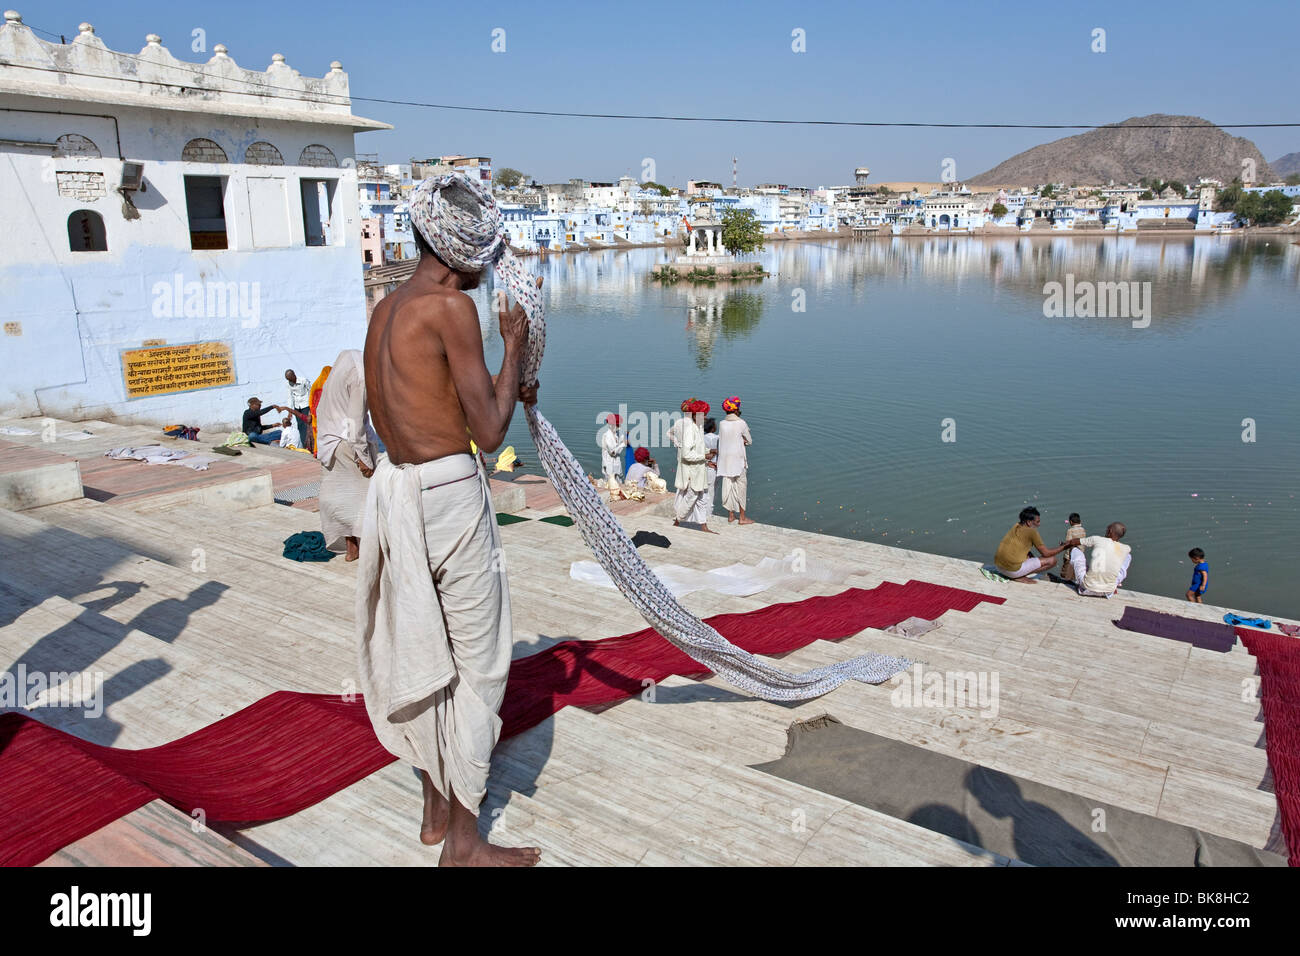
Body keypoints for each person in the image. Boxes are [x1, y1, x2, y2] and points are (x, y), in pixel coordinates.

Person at [360, 172, 541, 867]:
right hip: (446, 495)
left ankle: (436, 809)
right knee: (480, 663)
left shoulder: (386, 309)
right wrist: (514, 342)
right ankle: (465, 843)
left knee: (425, 648)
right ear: (461, 253)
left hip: (397, 487)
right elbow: (489, 431)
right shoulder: (449, 310)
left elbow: (421, 404)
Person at [316, 349, 377, 561]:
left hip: (329, 439)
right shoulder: (361, 376)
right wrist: (362, 457)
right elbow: (354, 420)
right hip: (347, 441)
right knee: (366, 498)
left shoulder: (347, 358)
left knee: (344, 499)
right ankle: (368, 551)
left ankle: (352, 549)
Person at [667, 398, 715, 533]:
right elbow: (686, 454)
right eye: (703, 415)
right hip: (693, 471)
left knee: (702, 498)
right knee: (691, 497)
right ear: (695, 415)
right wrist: (704, 456)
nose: (705, 418)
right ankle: (677, 521)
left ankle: (703, 525)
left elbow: (699, 448)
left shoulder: (698, 428)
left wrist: (708, 452)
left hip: (700, 469)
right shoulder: (689, 429)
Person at [992, 506, 1072, 583]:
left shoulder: (1016, 526)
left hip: (999, 567)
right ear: (1029, 522)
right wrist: (1064, 546)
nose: (1039, 524)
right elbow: (1046, 553)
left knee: (1029, 555)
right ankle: (1019, 576)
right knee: (1052, 560)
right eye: (1037, 522)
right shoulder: (1032, 532)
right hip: (1011, 572)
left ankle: (1018, 573)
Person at [1065, 523, 1132, 598]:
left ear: (1109, 531)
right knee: (1128, 556)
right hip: (1108, 592)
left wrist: (1066, 544)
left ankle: (1071, 579)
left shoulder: (1097, 539)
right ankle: (1115, 583)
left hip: (1086, 588)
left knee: (1075, 550)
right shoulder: (1126, 548)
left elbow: (1073, 542)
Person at [716, 395, 753, 525]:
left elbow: (722, 440)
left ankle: (731, 515)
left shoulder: (721, 423)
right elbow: (749, 441)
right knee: (741, 488)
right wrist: (742, 441)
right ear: (736, 410)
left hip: (725, 462)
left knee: (729, 487)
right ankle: (742, 518)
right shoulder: (741, 423)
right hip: (738, 461)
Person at [286, 369, 314, 453]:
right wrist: (290, 410)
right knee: (300, 426)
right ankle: (305, 445)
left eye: (290, 379)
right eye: (288, 380)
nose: (290, 381)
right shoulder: (289, 384)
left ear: (294, 375)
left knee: (307, 425)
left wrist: (311, 406)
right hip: (297, 406)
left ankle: (311, 445)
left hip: (306, 405)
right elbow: (289, 397)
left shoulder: (303, 380)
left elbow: (311, 391)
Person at [1058, 513, 1087, 583]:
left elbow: (1069, 543)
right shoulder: (1083, 530)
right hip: (1080, 554)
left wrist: (1062, 544)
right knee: (1075, 570)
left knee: (1065, 572)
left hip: (1070, 555)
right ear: (1080, 521)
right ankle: (1073, 581)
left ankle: (1066, 582)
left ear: (1071, 522)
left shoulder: (1070, 530)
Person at [598, 413, 626, 482]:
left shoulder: (616, 434)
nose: (619, 426)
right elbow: (612, 453)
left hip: (616, 463)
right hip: (609, 463)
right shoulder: (607, 436)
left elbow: (620, 441)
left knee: (618, 480)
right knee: (610, 481)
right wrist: (623, 444)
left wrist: (624, 438)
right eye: (618, 424)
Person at [703, 416, 719, 521]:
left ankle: (703, 512)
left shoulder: (702, 437)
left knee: (704, 491)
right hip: (713, 467)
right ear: (713, 428)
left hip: (704, 466)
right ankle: (709, 513)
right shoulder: (716, 438)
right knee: (712, 492)